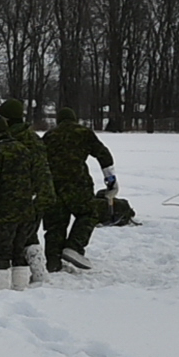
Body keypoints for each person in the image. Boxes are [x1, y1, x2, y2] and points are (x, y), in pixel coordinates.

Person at [0, 111, 54, 291]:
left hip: (4, 212)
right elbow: (36, 177)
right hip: (26, 210)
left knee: (3, 252)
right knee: (19, 250)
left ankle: (3, 289)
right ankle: (20, 286)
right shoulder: (24, 150)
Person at [42, 106, 116, 271]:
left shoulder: (49, 136)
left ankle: (53, 263)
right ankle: (74, 247)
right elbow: (103, 155)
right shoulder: (84, 132)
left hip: (53, 186)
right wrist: (110, 180)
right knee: (89, 213)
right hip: (78, 184)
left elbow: (39, 160)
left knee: (55, 224)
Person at [0, 99, 53, 279]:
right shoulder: (33, 138)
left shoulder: (8, 140)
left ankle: (12, 277)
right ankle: (39, 272)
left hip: (18, 196)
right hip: (39, 193)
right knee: (30, 235)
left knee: (14, 239)